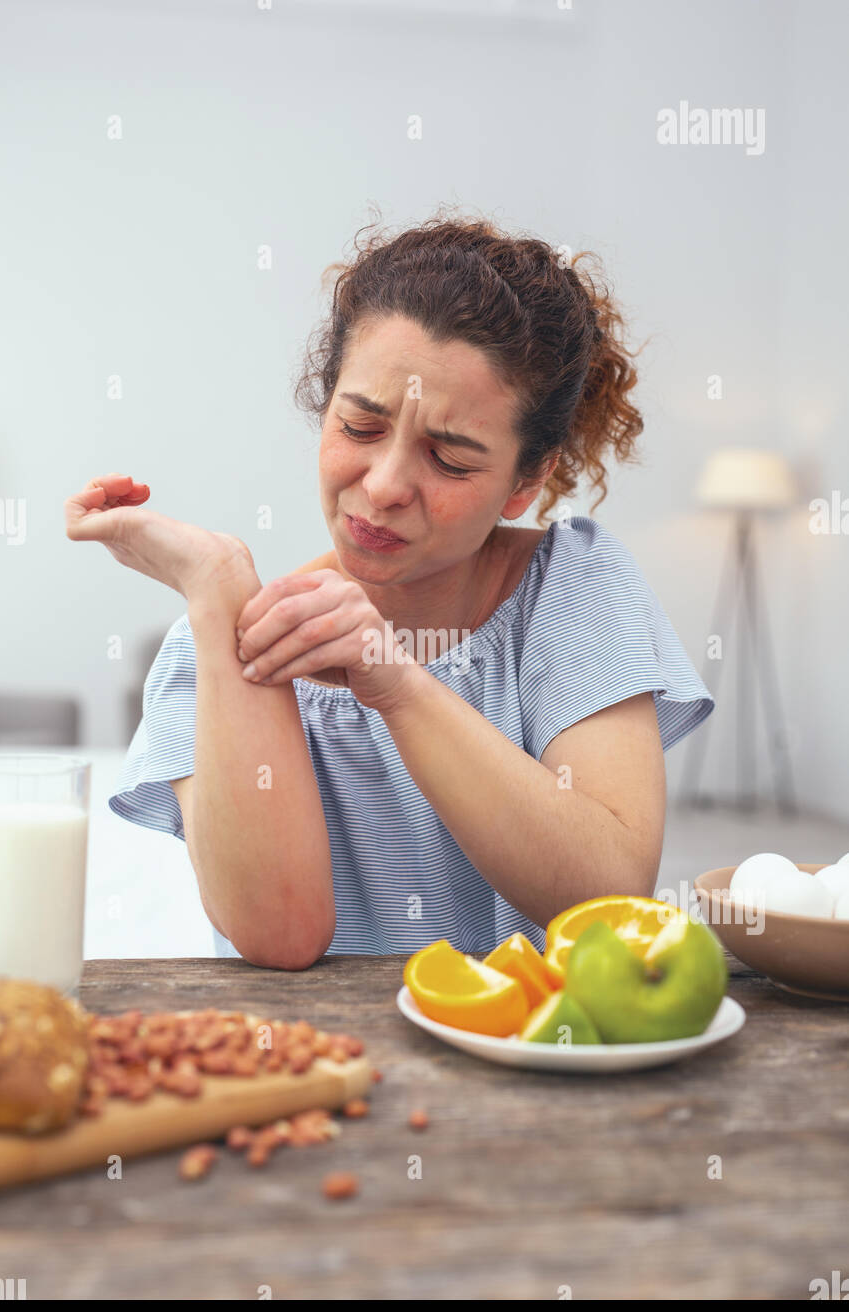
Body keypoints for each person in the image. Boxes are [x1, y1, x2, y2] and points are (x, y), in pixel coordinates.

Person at [64, 212, 714, 969]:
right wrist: (217, 589)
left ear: (526, 482)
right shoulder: (207, 651)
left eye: (450, 458)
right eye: (360, 427)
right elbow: (281, 934)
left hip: (536, 1062)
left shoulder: (570, 586)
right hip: (321, 1070)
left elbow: (608, 893)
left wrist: (396, 683)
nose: (384, 486)